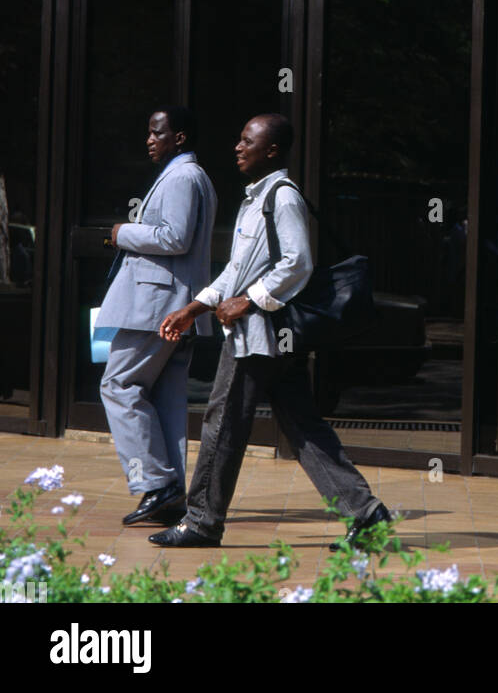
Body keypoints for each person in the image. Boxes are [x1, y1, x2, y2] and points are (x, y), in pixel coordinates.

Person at [149, 113, 390, 549]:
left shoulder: (282, 197)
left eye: (248, 141)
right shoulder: (255, 200)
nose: (238, 147)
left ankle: (201, 521)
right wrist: (195, 307)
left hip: (257, 337)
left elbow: (298, 262)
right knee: (303, 427)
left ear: (272, 150)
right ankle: (366, 513)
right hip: (269, 339)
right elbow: (235, 271)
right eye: (240, 140)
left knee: (222, 424)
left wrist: (249, 300)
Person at [97, 107, 217, 526]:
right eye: (149, 133)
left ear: (179, 138)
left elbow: (175, 237)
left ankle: (156, 482)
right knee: (164, 397)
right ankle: (169, 494)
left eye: (156, 133)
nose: (149, 140)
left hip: (156, 306)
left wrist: (121, 233)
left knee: (118, 385)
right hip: (172, 304)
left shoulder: (182, 177)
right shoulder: (190, 176)